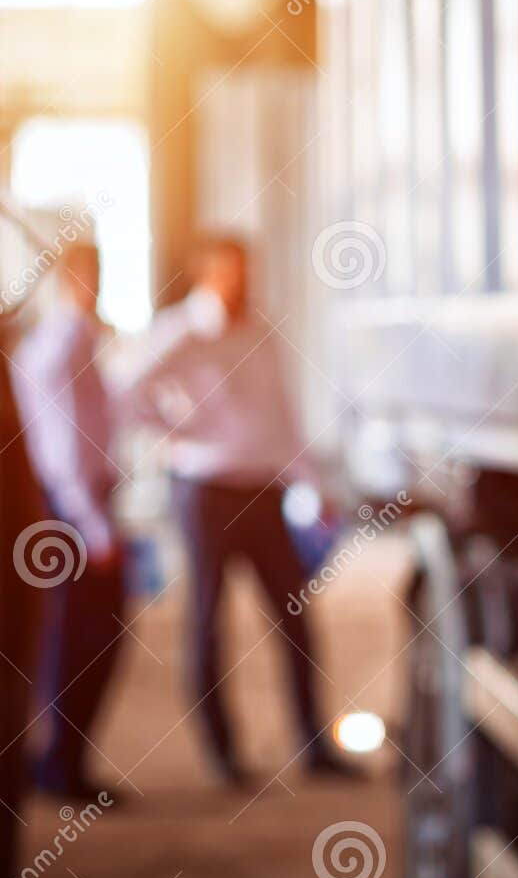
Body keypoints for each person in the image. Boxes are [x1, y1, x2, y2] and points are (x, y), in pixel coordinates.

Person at [119, 234, 351, 785]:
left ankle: (316, 748)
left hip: (264, 492)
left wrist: (313, 484)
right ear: (205, 275)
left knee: (294, 618)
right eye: (228, 273)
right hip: (206, 493)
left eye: (245, 272)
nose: (239, 283)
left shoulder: (261, 331)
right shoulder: (181, 333)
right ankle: (225, 758)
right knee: (208, 623)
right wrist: (182, 430)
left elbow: (282, 416)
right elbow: (125, 391)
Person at [8, 242, 126, 801]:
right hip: (72, 510)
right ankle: (60, 765)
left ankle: (64, 762)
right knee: (83, 642)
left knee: (85, 641)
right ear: (66, 279)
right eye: (88, 274)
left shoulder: (82, 340)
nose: (95, 284)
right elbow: (62, 450)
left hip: (81, 504)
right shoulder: (58, 347)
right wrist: (94, 528)